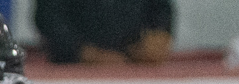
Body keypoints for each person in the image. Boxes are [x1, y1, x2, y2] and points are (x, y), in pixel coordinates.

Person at [34, 0, 174, 63]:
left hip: (137, 64)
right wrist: (82, 53)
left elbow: (161, 9)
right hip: (76, 72)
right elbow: (48, 17)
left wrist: (160, 34)